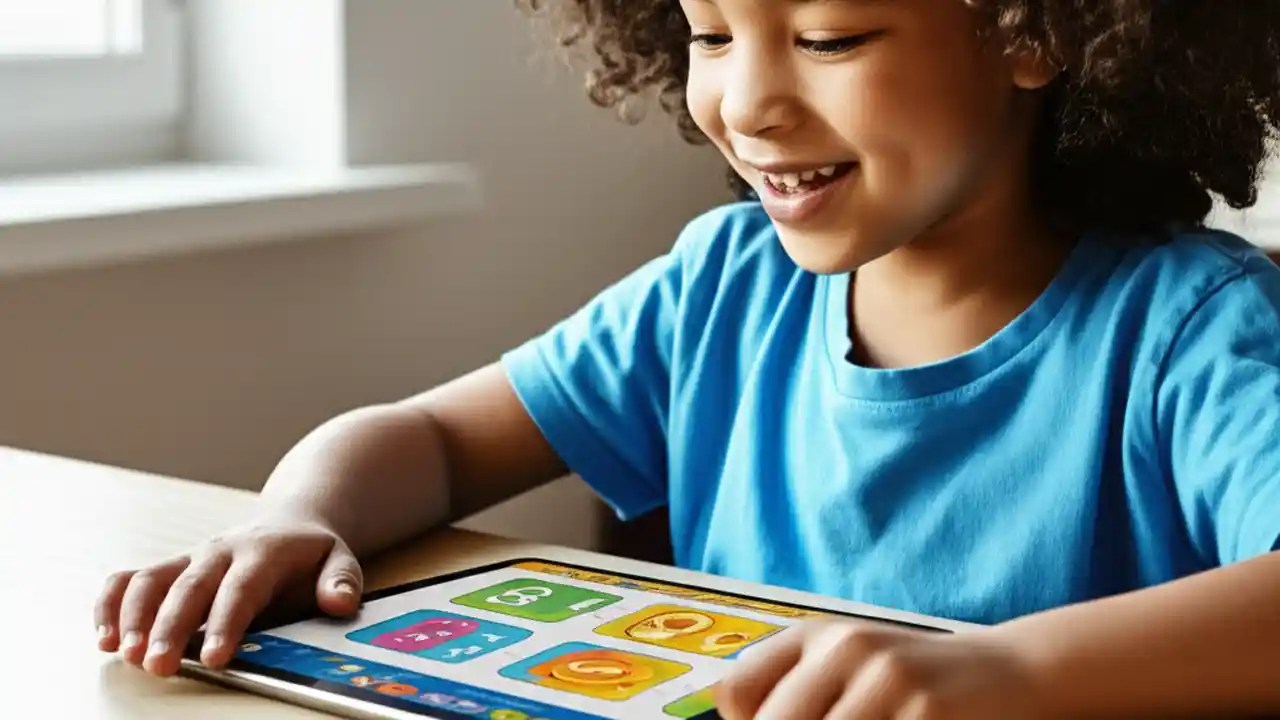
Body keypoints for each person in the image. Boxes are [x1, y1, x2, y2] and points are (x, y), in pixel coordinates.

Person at [96, 0, 1280, 716]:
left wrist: (1006, 678)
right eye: (710, 33)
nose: (746, 101)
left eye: (826, 37)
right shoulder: (719, 286)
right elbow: (431, 438)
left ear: (1033, 32)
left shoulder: (1188, 328)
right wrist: (297, 518)